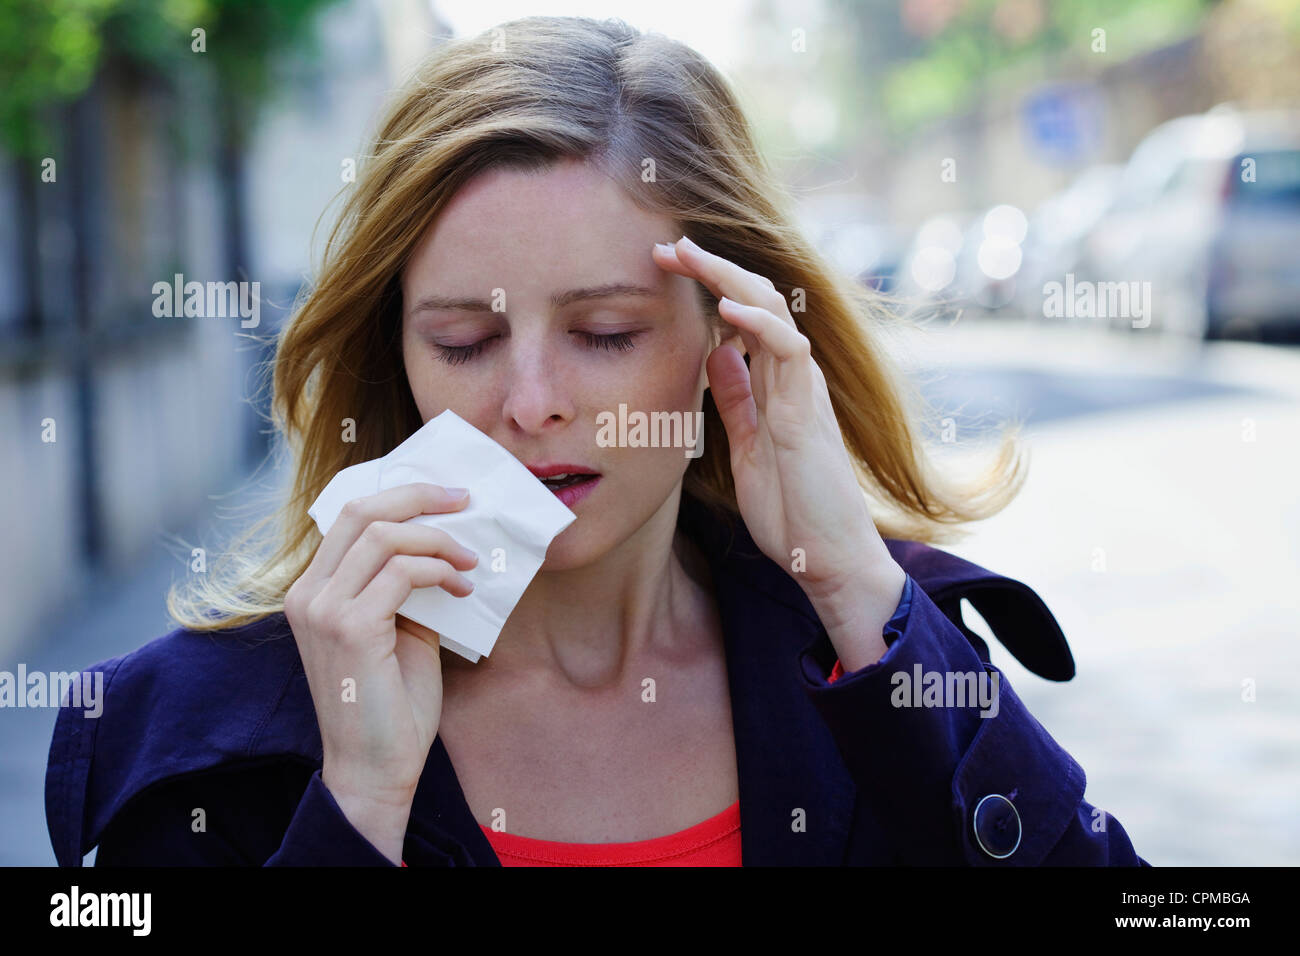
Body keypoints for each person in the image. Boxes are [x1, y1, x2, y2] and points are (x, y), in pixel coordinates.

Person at [45, 15, 1147, 867]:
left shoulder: (879, 650)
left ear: (733, 335)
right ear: (400, 353)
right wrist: (359, 806)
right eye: (467, 338)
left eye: (605, 331)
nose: (532, 402)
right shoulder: (199, 737)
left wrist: (861, 588)